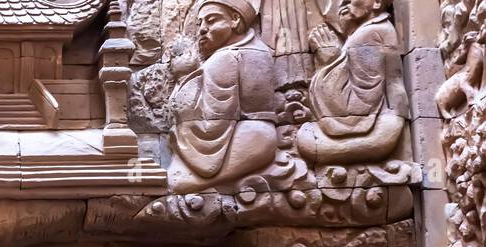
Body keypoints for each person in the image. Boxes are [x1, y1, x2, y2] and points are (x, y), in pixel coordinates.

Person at [167, 0, 282, 193]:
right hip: (261, 138)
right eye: (200, 24)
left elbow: (212, 126)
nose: (202, 29)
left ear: (235, 20)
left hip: (244, 141)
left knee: (176, 182)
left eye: (211, 21)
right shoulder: (259, 50)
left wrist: (184, 76)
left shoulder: (225, 58)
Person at [296, 0, 408, 166]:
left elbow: (360, 105)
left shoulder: (370, 34)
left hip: (365, 125)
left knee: (306, 138)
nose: (343, 2)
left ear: (377, 3)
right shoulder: (372, 30)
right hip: (385, 124)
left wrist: (330, 60)